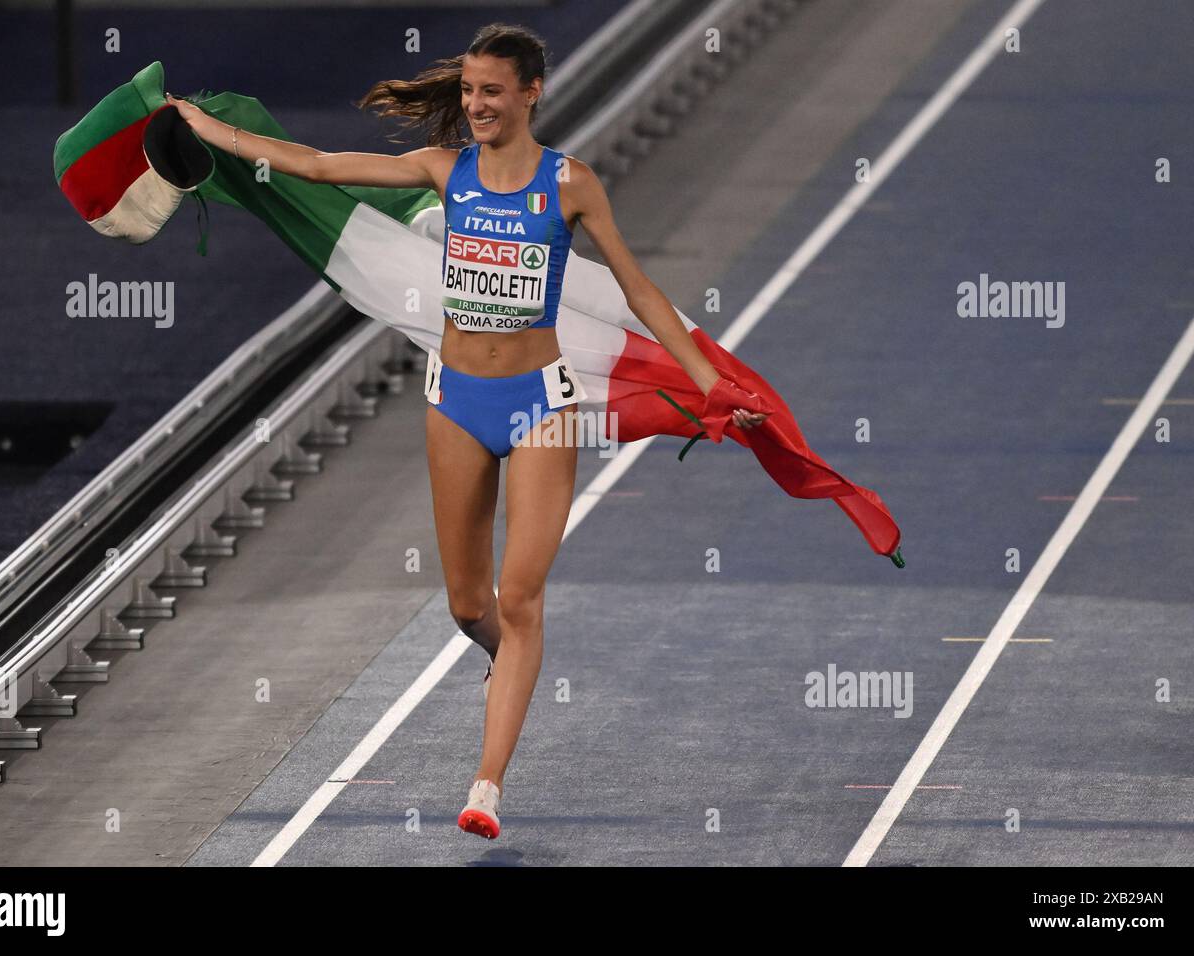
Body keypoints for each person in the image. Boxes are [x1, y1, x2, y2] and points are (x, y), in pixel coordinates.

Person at [167, 22, 768, 840]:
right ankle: (509, 659)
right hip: (455, 402)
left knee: (519, 595)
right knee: (465, 602)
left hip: (540, 407)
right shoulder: (444, 171)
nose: (476, 105)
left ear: (531, 93)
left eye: (492, 91)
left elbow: (640, 296)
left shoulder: (571, 184)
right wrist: (208, 130)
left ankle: (485, 785)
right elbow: (313, 164)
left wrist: (713, 383)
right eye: (468, 91)